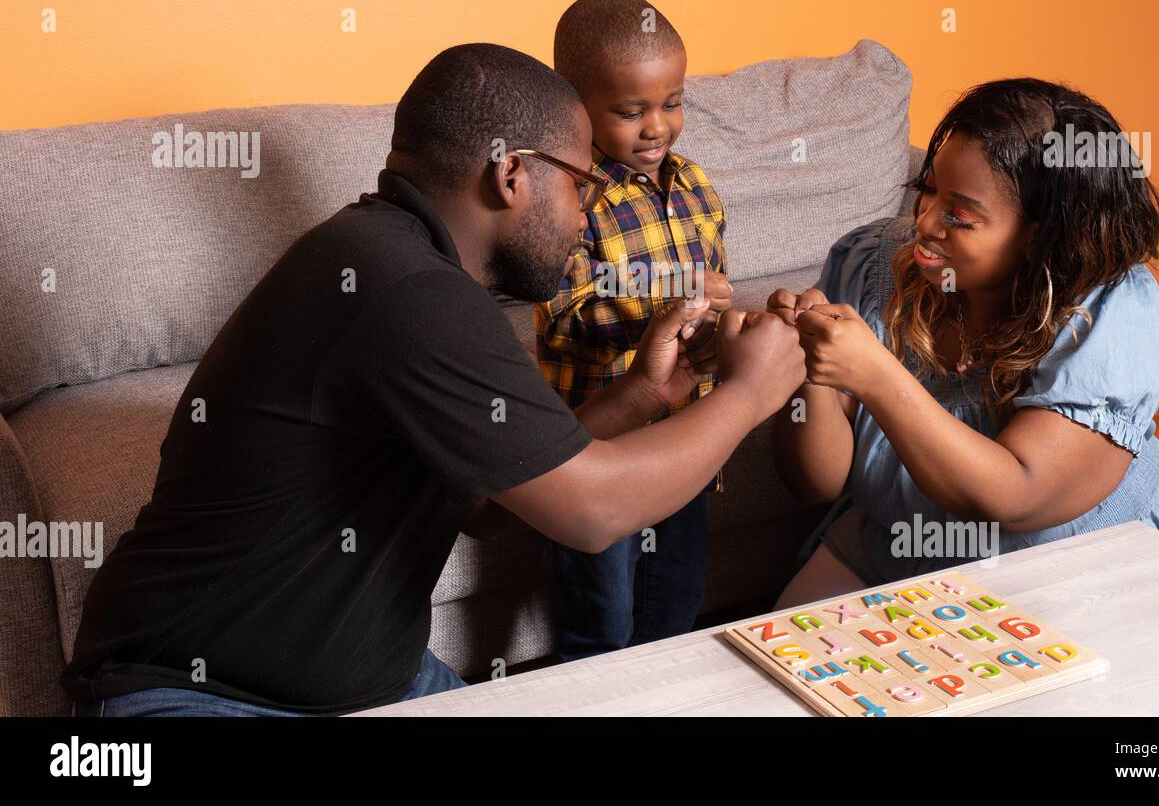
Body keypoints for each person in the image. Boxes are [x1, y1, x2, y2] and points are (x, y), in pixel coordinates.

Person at [62, 43, 806, 716]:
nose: (588, 215)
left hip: (371, 680)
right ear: (511, 172)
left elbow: (484, 502)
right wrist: (750, 393)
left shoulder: (405, 264)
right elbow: (593, 512)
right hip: (197, 693)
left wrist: (644, 395)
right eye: (582, 183)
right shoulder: (412, 293)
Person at [769, 77, 1159, 608]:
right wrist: (805, 363)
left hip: (1062, 550)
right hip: (905, 535)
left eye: (960, 216)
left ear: (1040, 235)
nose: (923, 224)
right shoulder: (874, 259)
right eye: (928, 191)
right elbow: (818, 484)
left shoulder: (1114, 310)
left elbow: (1015, 497)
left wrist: (875, 375)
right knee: (774, 656)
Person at [536, 0, 731, 661]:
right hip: (602, 445)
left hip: (682, 439)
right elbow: (572, 304)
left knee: (676, 602)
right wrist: (676, 290)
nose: (657, 127)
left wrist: (720, 325)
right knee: (604, 621)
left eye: (672, 103)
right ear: (575, 104)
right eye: (630, 111)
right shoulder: (566, 195)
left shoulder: (698, 186)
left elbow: (713, 291)